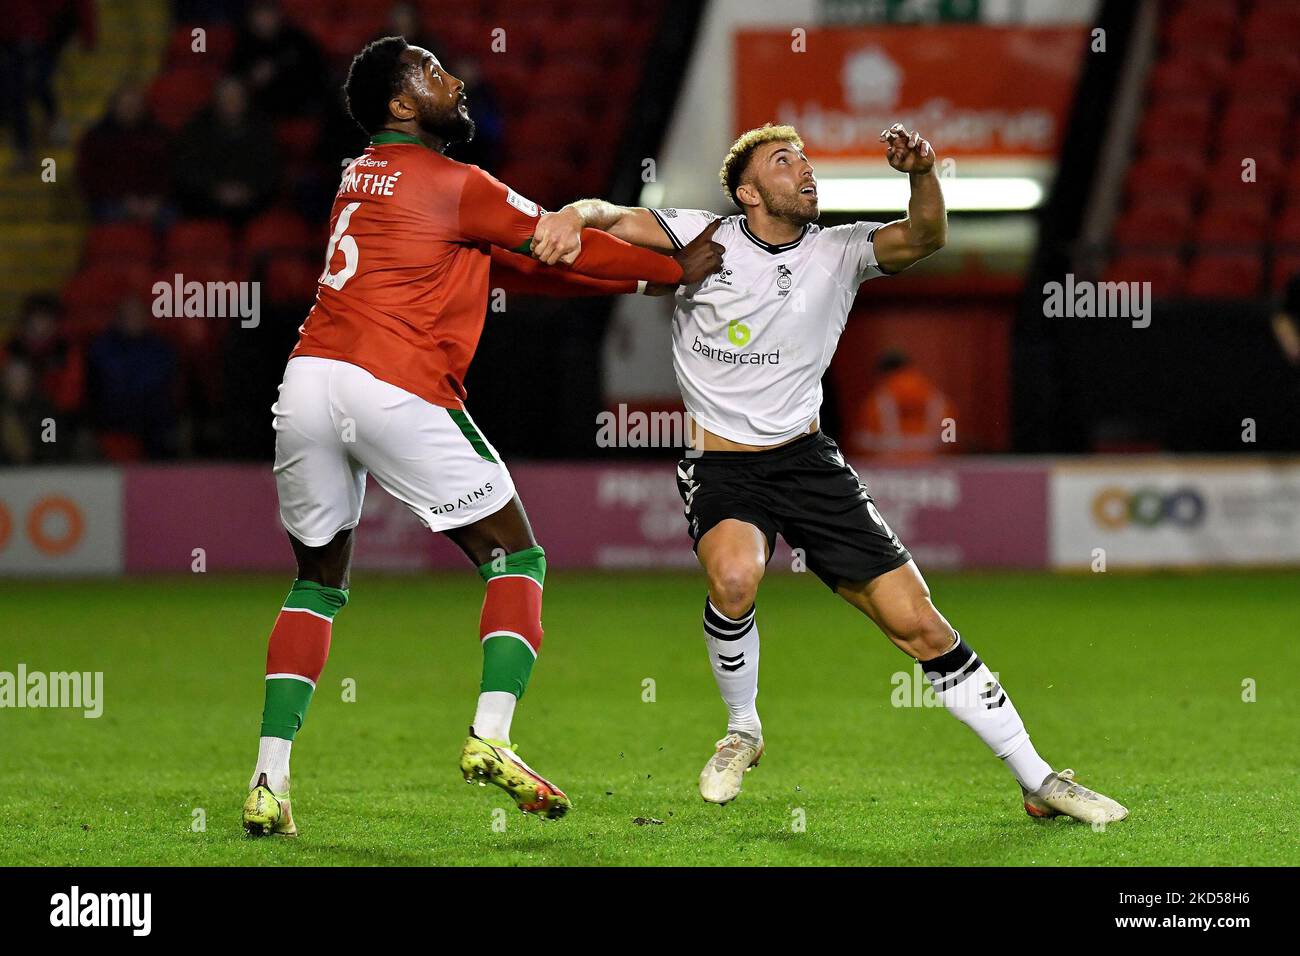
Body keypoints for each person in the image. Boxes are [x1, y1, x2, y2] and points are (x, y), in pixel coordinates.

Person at [549, 123, 1128, 824]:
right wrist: (569, 215)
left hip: (810, 463)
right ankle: (743, 729)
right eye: (785, 162)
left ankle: (1037, 780)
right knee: (734, 578)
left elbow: (925, 237)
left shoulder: (840, 248)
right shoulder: (703, 236)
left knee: (921, 626)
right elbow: (609, 215)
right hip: (725, 467)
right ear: (748, 191)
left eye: (806, 161)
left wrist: (921, 173)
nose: (806, 172)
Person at [241, 36, 722, 836]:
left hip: (306, 382)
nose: (454, 79)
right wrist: (678, 270)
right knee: (517, 556)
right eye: (432, 71)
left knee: (318, 585)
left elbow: (520, 264)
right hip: (392, 382)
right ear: (401, 104)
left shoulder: (356, 177)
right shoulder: (455, 181)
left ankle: (268, 780)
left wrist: (637, 279)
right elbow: (558, 241)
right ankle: (491, 736)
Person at [848, 349, 955, 459]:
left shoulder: (876, 400)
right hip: (934, 467)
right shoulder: (935, 396)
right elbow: (951, 435)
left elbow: (863, 440)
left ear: (882, 373)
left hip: (889, 468)